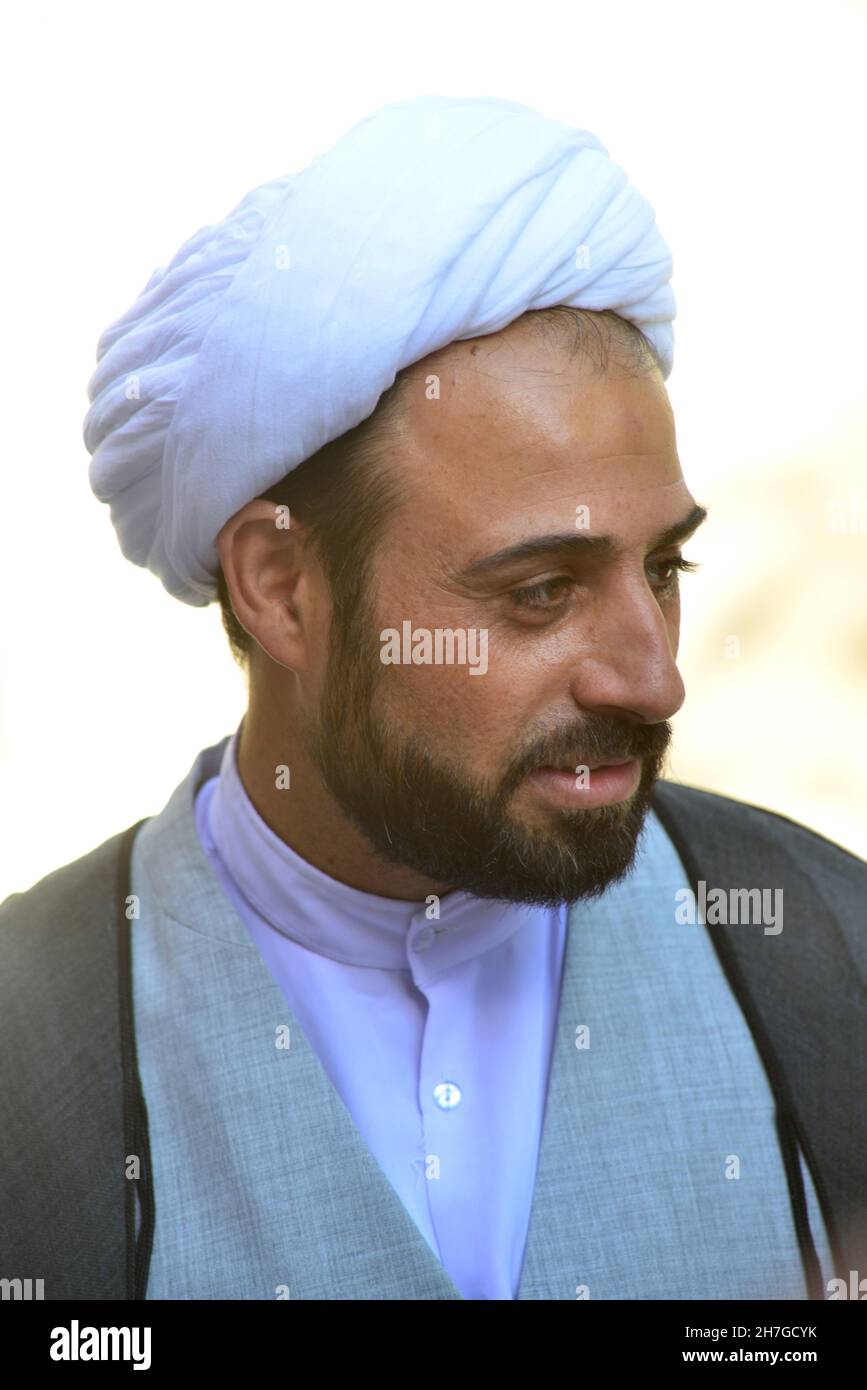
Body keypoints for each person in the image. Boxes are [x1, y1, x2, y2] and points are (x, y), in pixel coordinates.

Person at [1, 95, 864, 1303]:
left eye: (663, 569)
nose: (655, 675)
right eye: (543, 590)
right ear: (282, 588)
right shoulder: (27, 1044)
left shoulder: (833, 960)